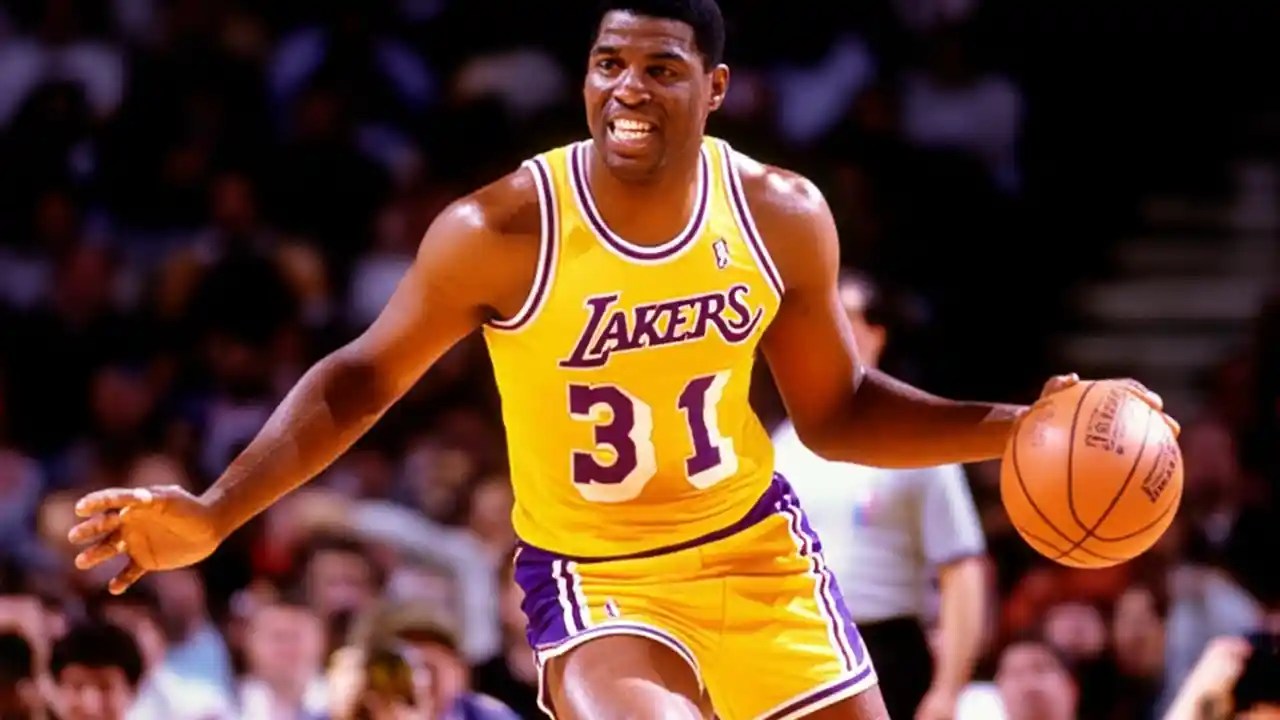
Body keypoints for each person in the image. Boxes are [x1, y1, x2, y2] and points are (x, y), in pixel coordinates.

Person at [67, 1, 1174, 718]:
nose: (626, 88)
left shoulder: (779, 216)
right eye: (606, 63)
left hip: (754, 555)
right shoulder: (501, 227)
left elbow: (836, 413)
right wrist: (215, 512)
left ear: (716, 87)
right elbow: (358, 379)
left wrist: (1016, 424)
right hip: (596, 575)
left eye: (658, 65)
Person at [772, 271, 988, 720]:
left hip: (890, 653)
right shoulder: (781, 447)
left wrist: (948, 688)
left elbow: (962, 567)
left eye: (844, 316)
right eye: (819, 317)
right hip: (801, 649)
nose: (828, 328)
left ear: (877, 334)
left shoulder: (915, 442)